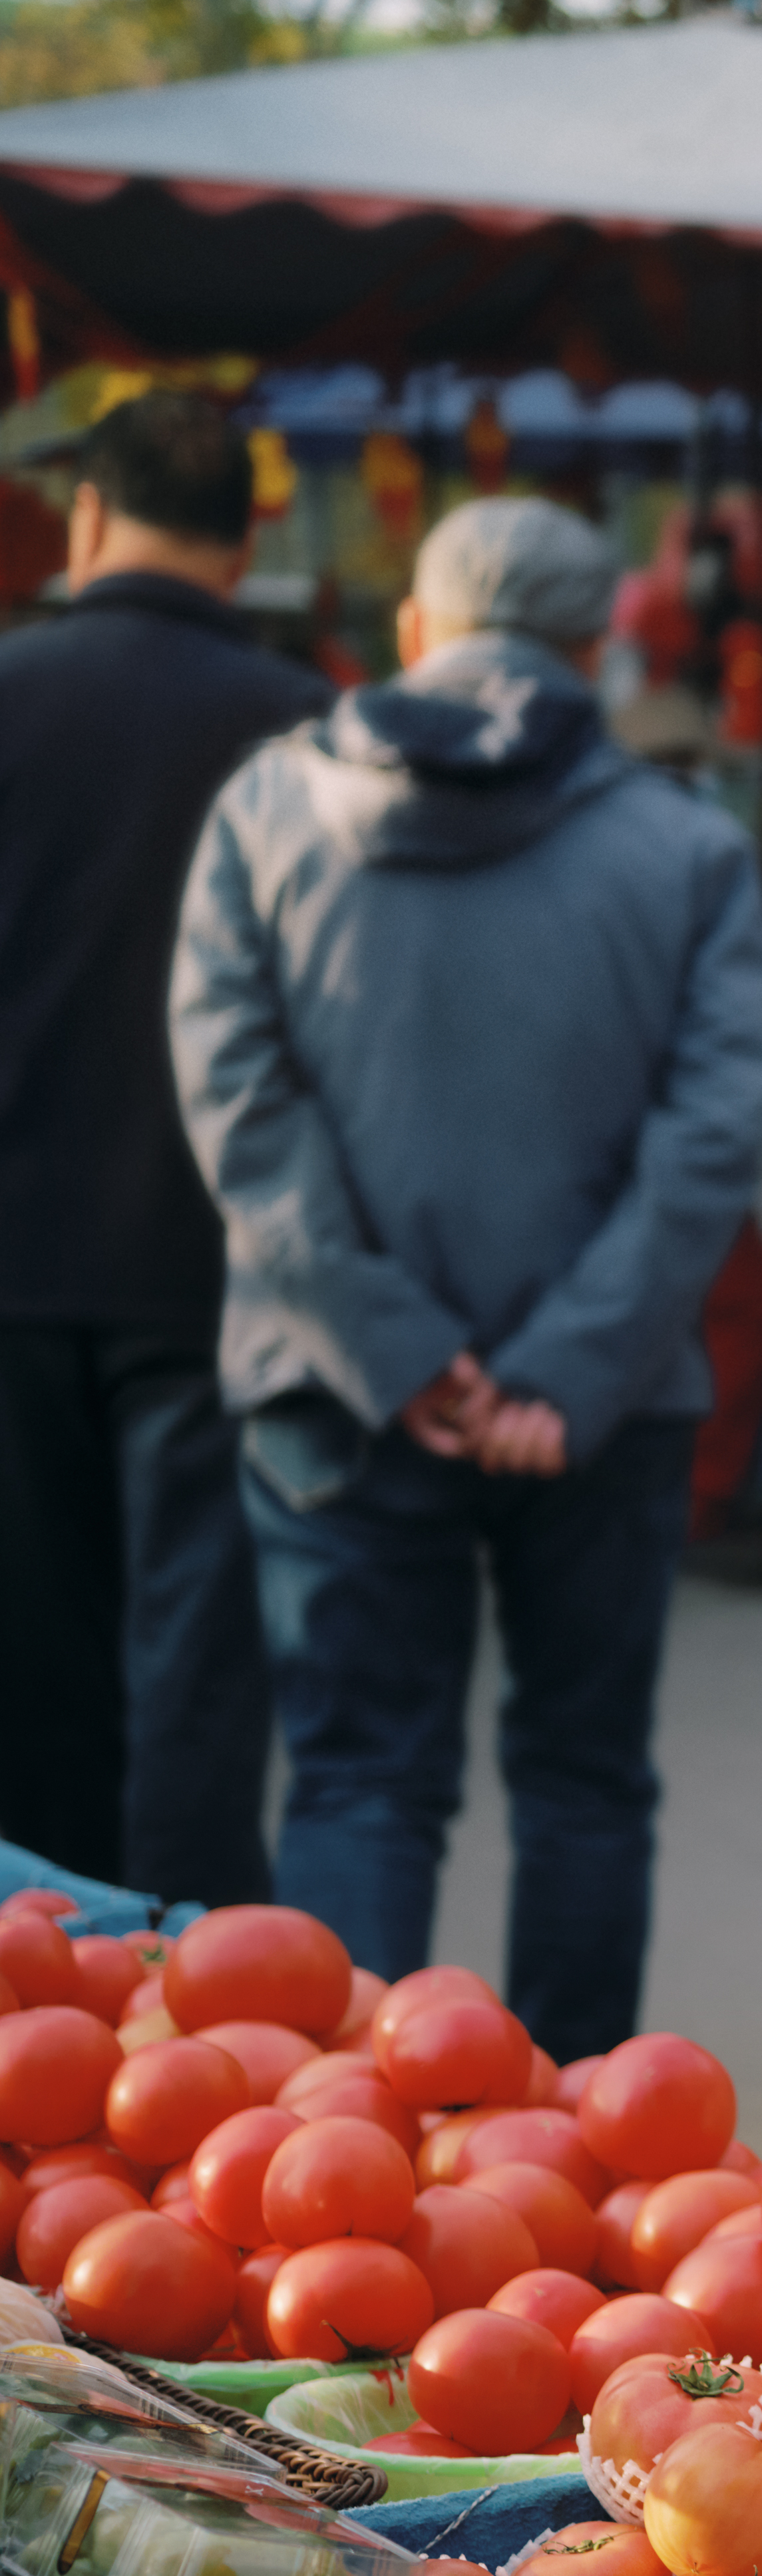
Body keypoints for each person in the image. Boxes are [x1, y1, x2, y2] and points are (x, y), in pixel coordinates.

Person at [172, 498, 762, 2062]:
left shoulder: (264, 814)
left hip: (337, 1394)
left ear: (417, 636)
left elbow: (239, 1107)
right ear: (598, 650)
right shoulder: (688, 847)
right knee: (584, 1780)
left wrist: (397, 1347)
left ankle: (328, 2165)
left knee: (360, 1778)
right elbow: (713, 1137)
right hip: (606, 1411)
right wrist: (565, 1369)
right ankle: (569, 2170)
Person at [0, 389, 327, 1903]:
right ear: (245, 534)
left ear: (84, 514)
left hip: (13, 1263)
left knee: (33, 1661)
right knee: (199, 1673)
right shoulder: (299, 726)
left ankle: (44, 2006)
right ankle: (204, 2009)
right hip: (220, 1265)